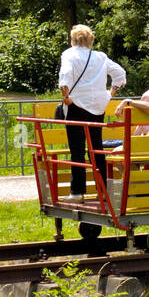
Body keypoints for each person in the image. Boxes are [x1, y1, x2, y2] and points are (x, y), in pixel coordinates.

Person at [58, 24, 126, 198]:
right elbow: (120, 73)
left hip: (76, 105)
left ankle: (77, 191)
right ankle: (102, 190)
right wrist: (110, 93)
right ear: (90, 40)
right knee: (96, 148)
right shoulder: (100, 56)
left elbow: (65, 77)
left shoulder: (69, 54)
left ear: (73, 39)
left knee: (77, 149)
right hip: (97, 107)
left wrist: (66, 98)